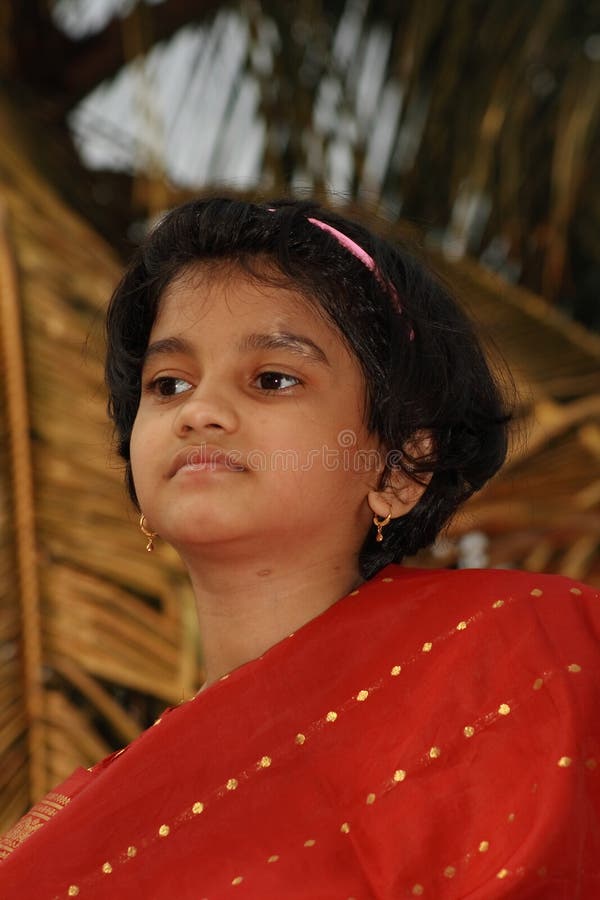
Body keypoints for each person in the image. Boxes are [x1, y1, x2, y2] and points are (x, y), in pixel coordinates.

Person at [1, 197, 598, 898]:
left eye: (273, 379)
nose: (199, 411)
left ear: (399, 470)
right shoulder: (75, 822)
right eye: (168, 384)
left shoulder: (524, 650)